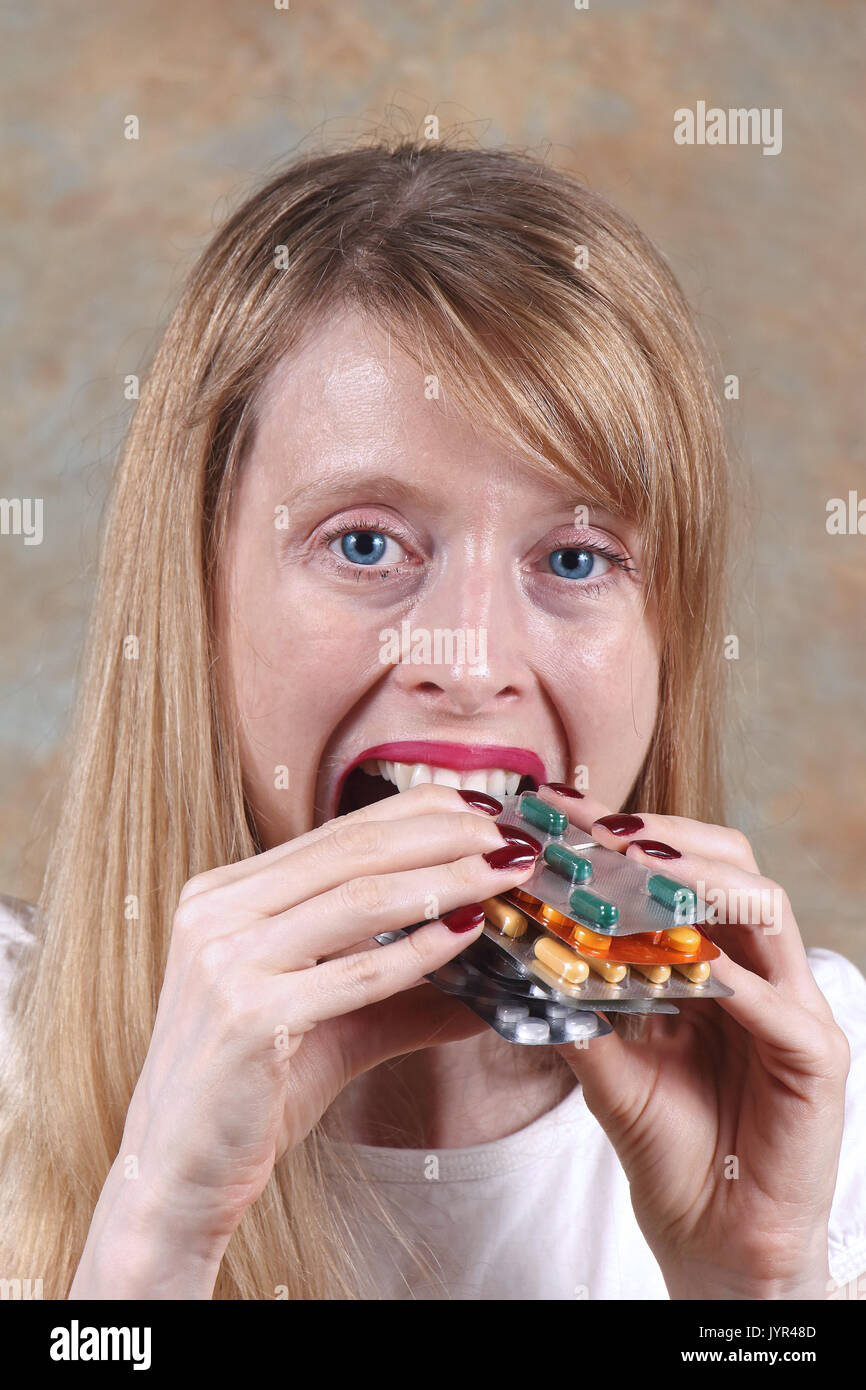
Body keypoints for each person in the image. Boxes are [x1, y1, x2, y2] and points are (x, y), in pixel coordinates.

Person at [1, 138, 863, 1301]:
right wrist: (152, 1232)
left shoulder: (822, 1086)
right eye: (364, 544)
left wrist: (752, 1289)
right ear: (195, 595)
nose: (470, 661)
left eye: (574, 557)